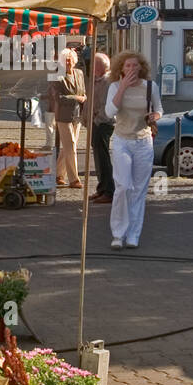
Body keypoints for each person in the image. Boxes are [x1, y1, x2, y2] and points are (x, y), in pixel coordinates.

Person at [105, 51, 161, 249]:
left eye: (134, 66)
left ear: (141, 68)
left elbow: (159, 109)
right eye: (127, 66)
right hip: (121, 140)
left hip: (143, 141)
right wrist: (122, 88)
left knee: (138, 190)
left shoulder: (150, 87)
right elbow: (110, 112)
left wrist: (155, 116)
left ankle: (133, 234)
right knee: (122, 187)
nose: (131, 69)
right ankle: (118, 234)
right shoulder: (114, 87)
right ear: (121, 69)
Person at [48, 48, 87, 188]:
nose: (68, 62)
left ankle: (58, 174)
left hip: (77, 116)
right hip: (63, 116)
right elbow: (58, 98)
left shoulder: (79, 73)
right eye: (65, 60)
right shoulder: (57, 76)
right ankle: (74, 179)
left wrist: (84, 98)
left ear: (75, 60)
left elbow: (83, 91)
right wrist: (77, 98)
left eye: (70, 59)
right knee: (71, 146)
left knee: (68, 147)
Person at [90, 53, 114, 204]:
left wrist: (97, 119)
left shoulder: (108, 81)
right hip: (97, 121)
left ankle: (109, 191)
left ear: (100, 66)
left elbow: (106, 105)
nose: (91, 67)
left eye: (94, 64)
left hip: (104, 123)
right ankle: (102, 188)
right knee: (98, 156)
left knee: (103, 157)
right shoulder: (97, 80)